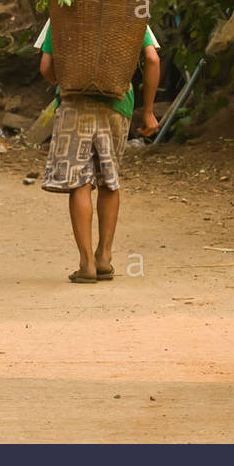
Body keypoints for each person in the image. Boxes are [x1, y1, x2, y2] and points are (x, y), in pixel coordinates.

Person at [36, 19, 160, 283]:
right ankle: (104, 256)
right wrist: (148, 111)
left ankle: (86, 264)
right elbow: (152, 59)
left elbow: (46, 66)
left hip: (74, 104)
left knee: (80, 183)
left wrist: (66, 82)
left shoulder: (66, 8)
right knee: (109, 180)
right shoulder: (129, 10)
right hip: (117, 105)